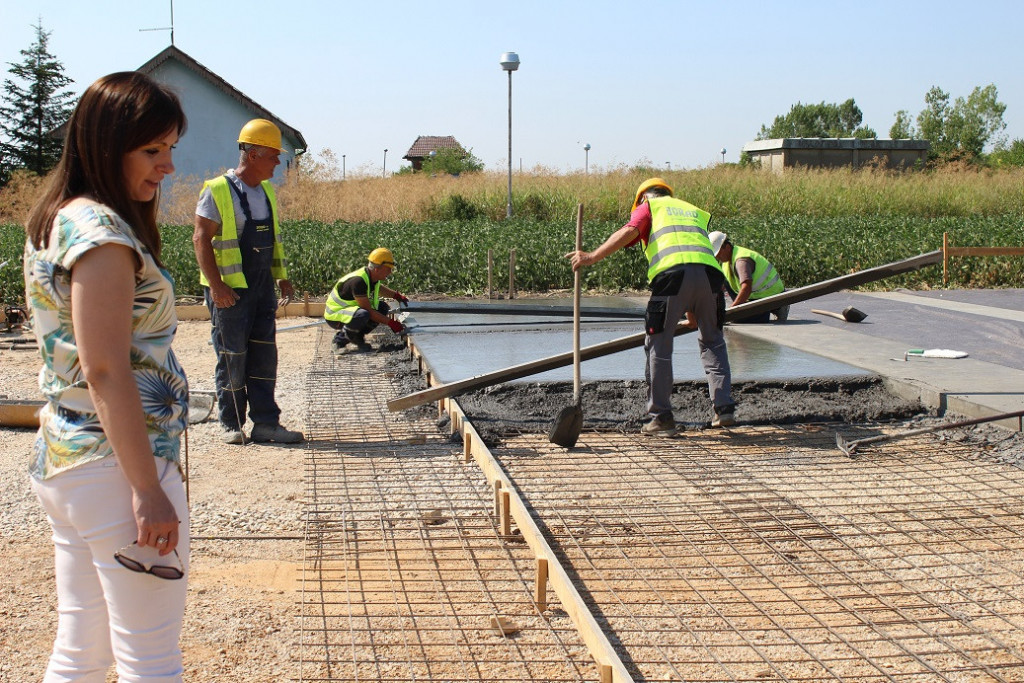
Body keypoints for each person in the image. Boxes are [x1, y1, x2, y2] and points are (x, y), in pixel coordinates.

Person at [23, 71, 190, 681]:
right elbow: (103, 368)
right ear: (104, 143)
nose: (167, 165)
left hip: (69, 458)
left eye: (170, 147)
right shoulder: (102, 236)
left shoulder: (58, 218)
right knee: (150, 659)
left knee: (82, 651)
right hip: (115, 466)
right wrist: (147, 490)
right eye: (152, 149)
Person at [566, 178, 736, 436]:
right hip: (711, 278)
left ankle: (661, 417)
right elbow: (694, 255)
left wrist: (591, 257)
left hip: (672, 277)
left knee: (659, 345)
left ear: (644, 197)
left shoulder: (650, 207)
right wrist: (693, 314)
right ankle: (724, 409)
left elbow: (630, 231)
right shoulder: (690, 210)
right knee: (713, 341)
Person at [193, 118, 304, 445]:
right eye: (273, 156)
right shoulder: (216, 190)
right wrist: (216, 287)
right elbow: (201, 240)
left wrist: (280, 276)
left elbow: (272, 240)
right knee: (232, 356)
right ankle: (231, 423)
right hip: (230, 290)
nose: (278, 164)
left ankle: (266, 423)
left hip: (261, 287)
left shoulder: (266, 191)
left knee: (264, 356)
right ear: (253, 154)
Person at [324, 247, 409, 355]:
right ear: (377, 269)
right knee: (363, 314)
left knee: (382, 307)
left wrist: (396, 296)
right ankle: (338, 342)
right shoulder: (358, 281)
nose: (390, 272)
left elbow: (381, 289)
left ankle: (357, 337)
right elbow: (368, 310)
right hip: (335, 315)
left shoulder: (372, 277)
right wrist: (391, 323)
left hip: (349, 312)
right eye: (388, 268)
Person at [708, 230, 789, 323]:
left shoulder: (741, 261)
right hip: (756, 296)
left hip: (771, 296)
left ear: (727, 247)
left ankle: (769, 311)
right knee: (725, 281)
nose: (717, 257)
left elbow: (746, 288)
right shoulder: (727, 261)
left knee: (736, 318)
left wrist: (732, 311)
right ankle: (746, 310)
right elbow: (720, 286)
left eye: (718, 253)